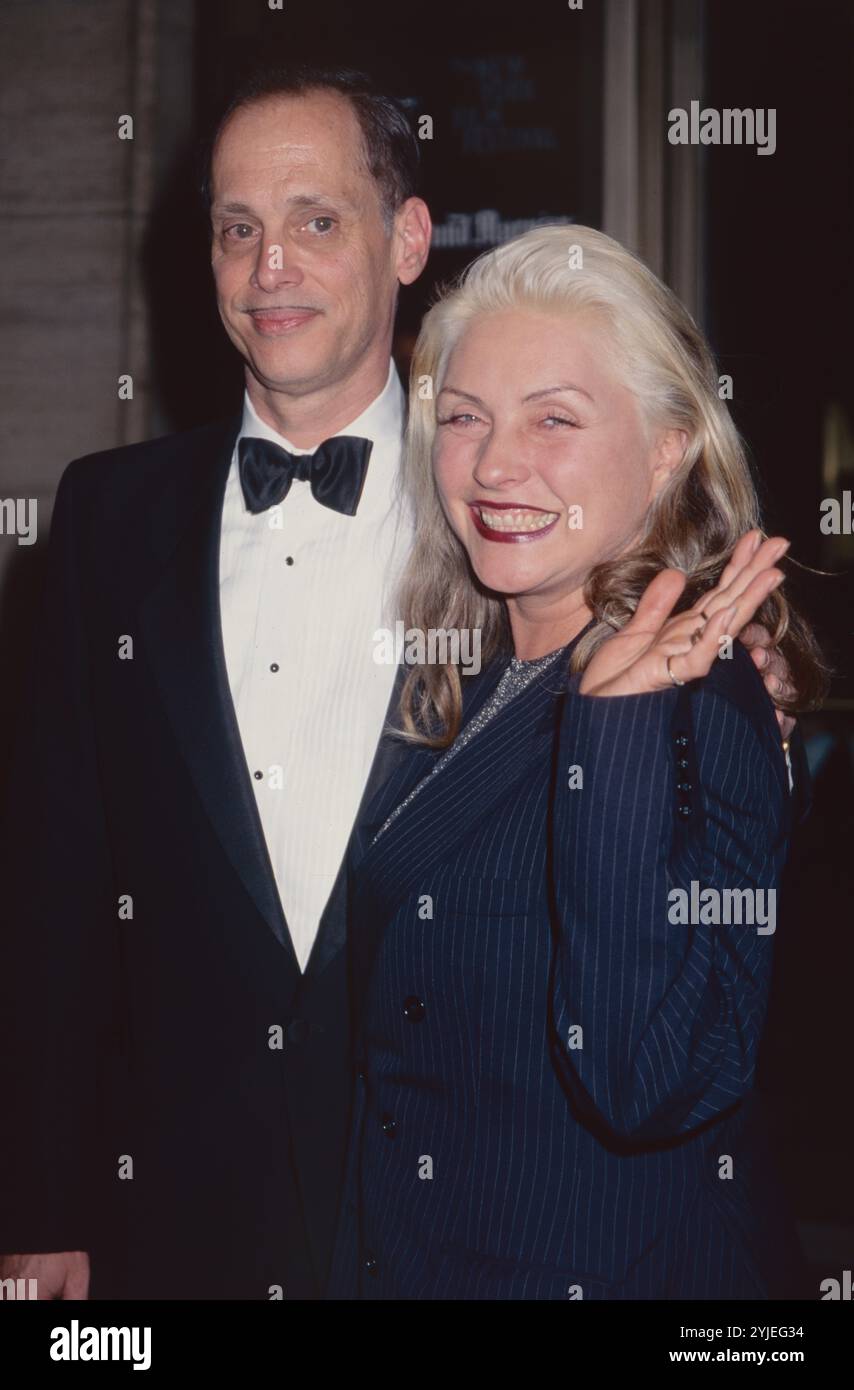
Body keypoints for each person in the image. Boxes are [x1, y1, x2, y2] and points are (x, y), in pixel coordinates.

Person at [0, 68, 795, 1302]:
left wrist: (708, 707)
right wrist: (40, 1200)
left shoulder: (506, 524)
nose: (270, 266)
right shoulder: (108, 515)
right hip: (183, 1207)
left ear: (407, 239)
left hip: (469, 1222)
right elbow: (55, 882)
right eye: (236, 227)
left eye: (316, 220)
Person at [326, 224, 826, 1300]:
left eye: (553, 418)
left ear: (668, 448)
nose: (494, 464)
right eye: (464, 417)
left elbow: (652, 1081)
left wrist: (617, 735)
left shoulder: (700, 701)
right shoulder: (453, 679)